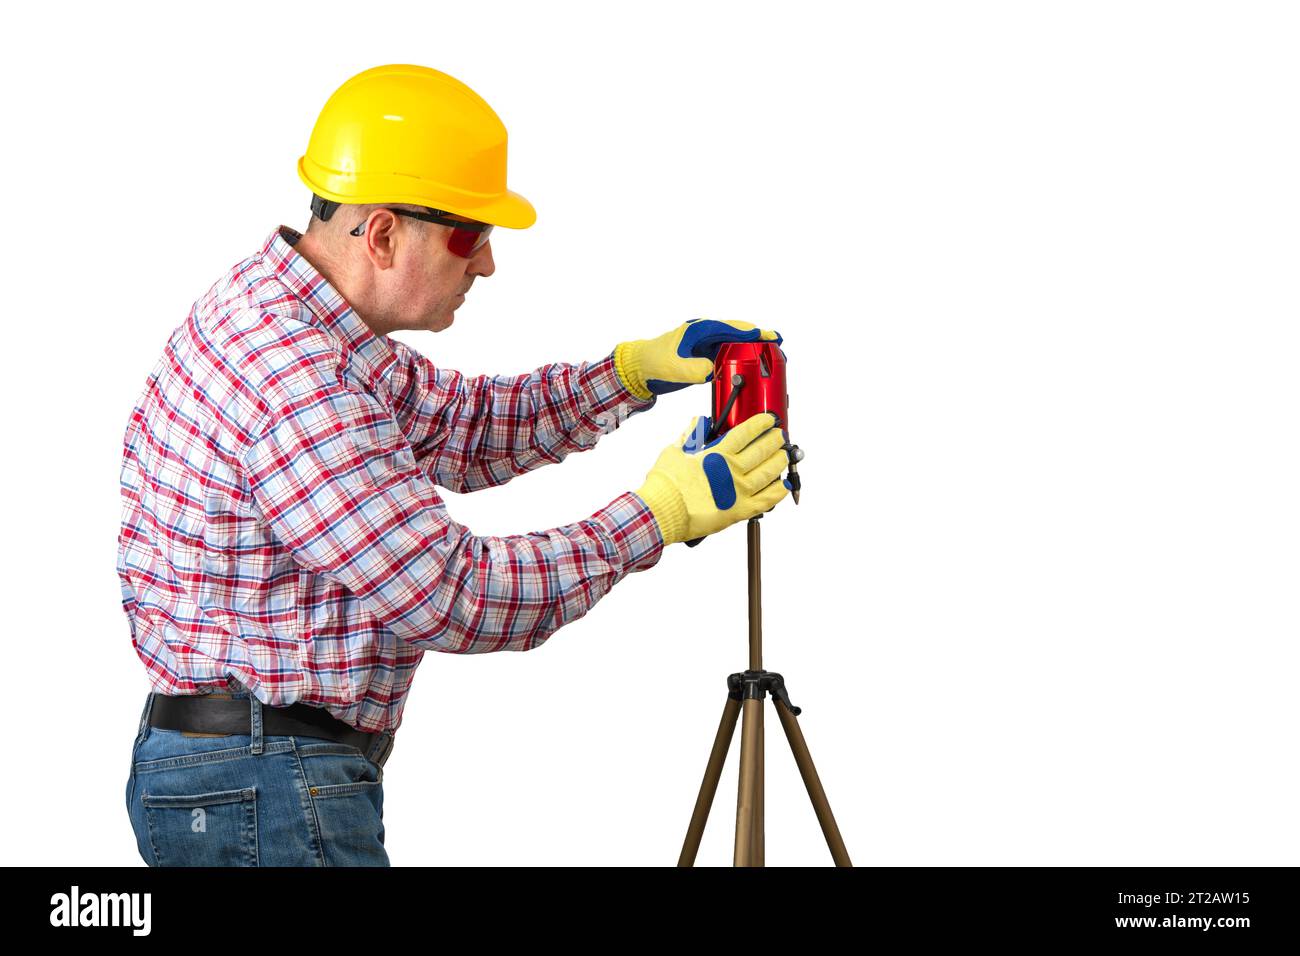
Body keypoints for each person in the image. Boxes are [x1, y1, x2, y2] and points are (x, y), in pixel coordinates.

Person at [120, 64, 792, 867]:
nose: (487, 266)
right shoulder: (292, 372)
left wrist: (627, 374)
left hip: (252, 779)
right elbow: (453, 595)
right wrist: (658, 515)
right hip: (263, 788)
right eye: (471, 237)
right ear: (381, 233)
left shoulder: (310, 325)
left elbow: (462, 426)